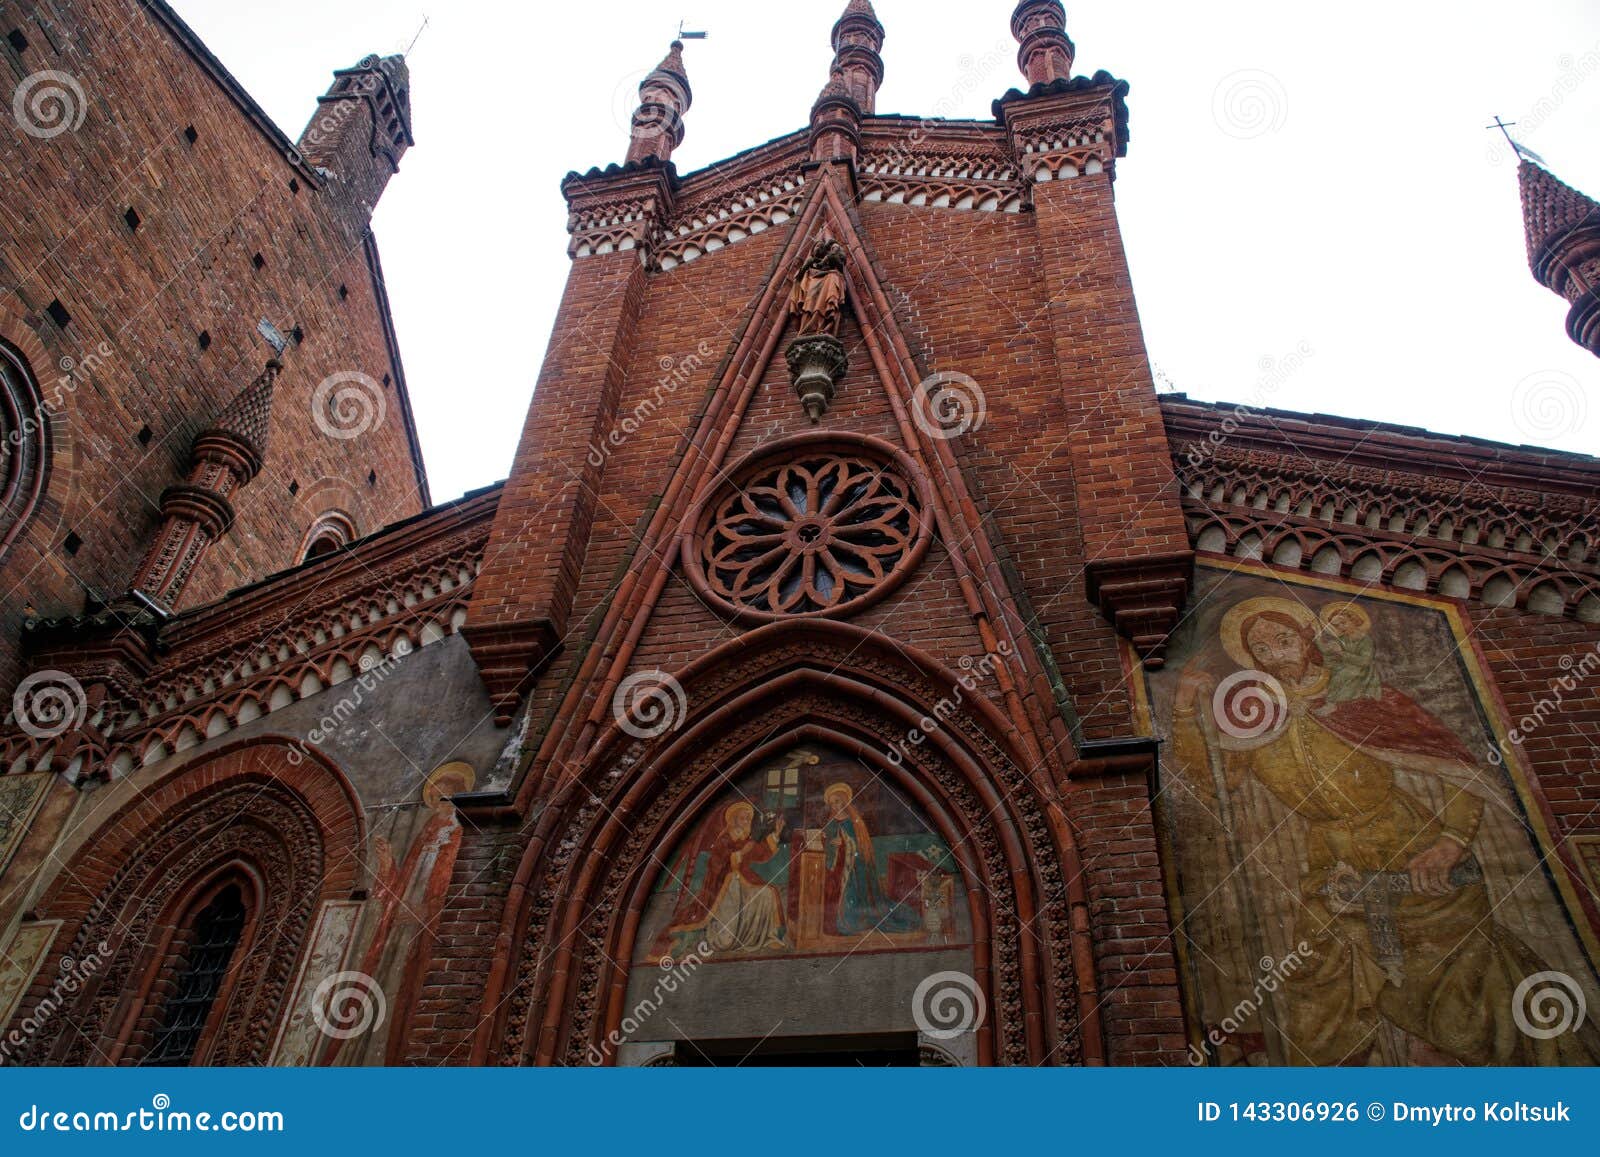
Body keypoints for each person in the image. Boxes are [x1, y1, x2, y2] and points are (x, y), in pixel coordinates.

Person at [1173, 596, 1598, 1065]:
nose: (1277, 653)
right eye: (1262, 648)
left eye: (1284, 638)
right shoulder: (1258, 718)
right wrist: (1185, 705)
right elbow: (1214, 781)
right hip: (1331, 867)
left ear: (1308, 640)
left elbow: (1457, 768)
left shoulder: (1359, 691)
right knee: (1317, 988)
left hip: (1407, 846)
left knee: (1457, 992)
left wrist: (1451, 843)